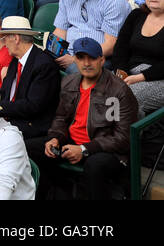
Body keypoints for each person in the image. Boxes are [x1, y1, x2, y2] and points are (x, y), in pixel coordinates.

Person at [36, 38, 139, 200]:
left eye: (91, 58)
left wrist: (84, 149)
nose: (86, 63)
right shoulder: (69, 82)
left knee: (94, 165)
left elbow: (122, 138)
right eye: (81, 58)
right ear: (75, 60)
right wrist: (55, 137)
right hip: (72, 142)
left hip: (107, 151)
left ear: (102, 60)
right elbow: (61, 118)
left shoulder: (118, 90)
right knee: (31, 148)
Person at [51, 0, 130, 71]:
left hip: (97, 57)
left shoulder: (114, 1)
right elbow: (60, 31)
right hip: (68, 51)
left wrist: (76, 59)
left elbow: (111, 45)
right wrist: (54, 51)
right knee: (38, 61)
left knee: (75, 69)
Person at [0, 16, 61, 141]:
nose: (3, 44)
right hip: (11, 120)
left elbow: (32, 106)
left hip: (32, 128)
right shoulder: (16, 61)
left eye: (4, 39)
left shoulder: (44, 65)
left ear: (16, 38)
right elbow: (4, 92)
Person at [114, 0, 164, 116]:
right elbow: (120, 48)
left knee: (124, 99)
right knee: (100, 89)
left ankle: (124, 137)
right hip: (130, 72)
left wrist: (141, 77)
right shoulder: (137, 15)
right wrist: (122, 73)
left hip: (158, 77)